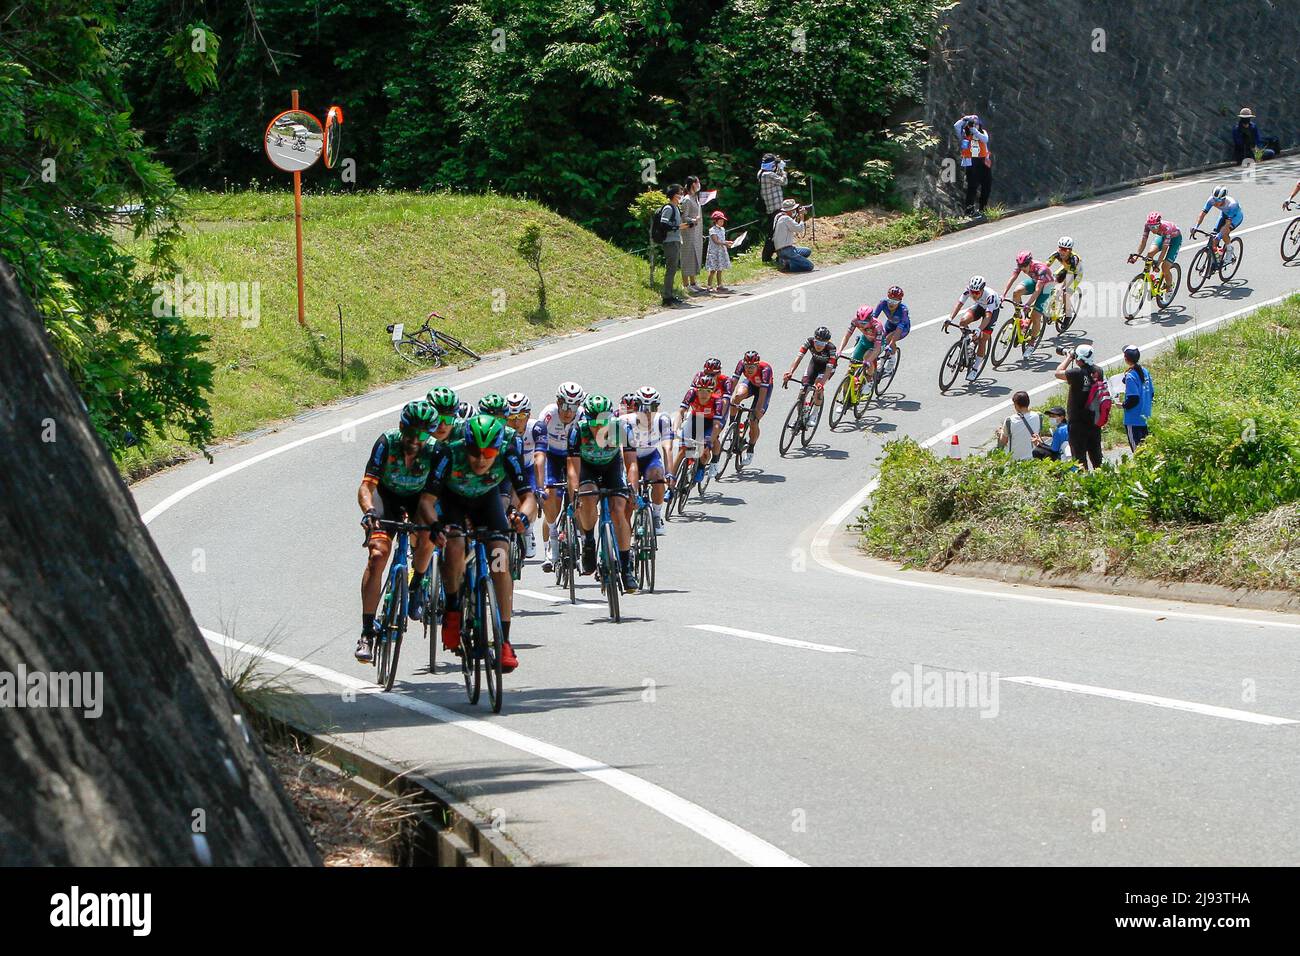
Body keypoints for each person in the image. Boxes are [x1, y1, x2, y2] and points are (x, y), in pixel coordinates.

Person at [417, 414, 533, 672]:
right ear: (465, 445)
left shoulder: (508, 452)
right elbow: (426, 501)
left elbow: (528, 497)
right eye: (474, 452)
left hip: (486, 501)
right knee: (455, 546)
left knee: (500, 561)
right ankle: (453, 608)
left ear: (498, 447)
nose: (481, 459)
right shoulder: (448, 453)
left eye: (489, 452)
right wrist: (436, 525)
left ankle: (504, 641)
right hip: (454, 500)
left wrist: (522, 516)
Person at [356, 400, 440, 663]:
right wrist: (369, 511)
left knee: (429, 535)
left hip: (420, 500)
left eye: (423, 434)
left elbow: (440, 494)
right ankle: (367, 632)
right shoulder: (387, 442)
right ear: (402, 427)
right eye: (411, 432)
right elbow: (367, 486)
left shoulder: (436, 451)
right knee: (378, 555)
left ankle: (416, 586)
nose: (416, 439)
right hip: (387, 499)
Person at [567, 394, 639, 593]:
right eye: (593, 423)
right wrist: (574, 495)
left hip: (611, 468)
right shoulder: (577, 431)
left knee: (618, 510)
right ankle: (589, 541)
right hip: (587, 468)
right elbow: (572, 469)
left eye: (602, 423)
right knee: (588, 498)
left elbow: (631, 461)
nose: (598, 428)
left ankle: (626, 568)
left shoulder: (621, 428)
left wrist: (633, 490)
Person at [535, 381, 586, 574]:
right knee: (551, 495)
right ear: (558, 402)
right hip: (553, 457)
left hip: (575, 457)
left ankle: (582, 543)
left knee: (580, 498)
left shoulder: (582, 416)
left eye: (573, 407)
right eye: (564, 405)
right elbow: (539, 446)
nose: (568, 411)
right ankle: (553, 539)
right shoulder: (548, 414)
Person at [622, 386, 674, 533]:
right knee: (628, 503)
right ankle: (626, 537)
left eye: (652, 408)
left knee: (659, 477)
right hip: (627, 459)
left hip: (649, 457)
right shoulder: (624, 421)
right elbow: (619, 452)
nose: (647, 412)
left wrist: (670, 473)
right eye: (644, 408)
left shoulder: (663, 420)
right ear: (636, 407)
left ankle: (656, 515)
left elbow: (667, 448)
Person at [1054, 344, 1104, 470]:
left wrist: (1069, 357)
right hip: (1094, 422)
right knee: (1097, 459)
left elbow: (1058, 373)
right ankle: (1102, 481)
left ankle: (1084, 485)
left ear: (1079, 358)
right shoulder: (1098, 371)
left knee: (1079, 461)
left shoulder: (1076, 373)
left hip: (1077, 424)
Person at [947, 274, 1001, 382]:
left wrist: (979, 329)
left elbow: (988, 316)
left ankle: (975, 368)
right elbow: (959, 303)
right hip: (980, 306)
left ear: (982, 289)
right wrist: (949, 318)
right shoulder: (969, 290)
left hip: (992, 311)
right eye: (972, 292)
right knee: (963, 322)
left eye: (977, 293)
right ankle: (968, 344)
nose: (974, 295)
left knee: (982, 339)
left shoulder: (990, 296)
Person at [1001, 250, 1054, 359]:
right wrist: (1003, 294)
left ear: (1030, 262)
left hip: (1046, 287)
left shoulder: (1041, 269)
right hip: (1036, 281)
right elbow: (1012, 278)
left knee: (1035, 315)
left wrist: (1028, 304)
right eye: (1021, 266)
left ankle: (1032, 343)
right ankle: (1020, 318)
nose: (1023, 268)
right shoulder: (1021, 266)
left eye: (1025, 265)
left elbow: (1038, 290)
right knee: (1016, 292)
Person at [729, 349, 774, 464]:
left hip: (764, 389)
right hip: (751, 383)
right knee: (736, 397)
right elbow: (733, 383)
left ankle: (750, 449)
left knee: (753, 420)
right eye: (747, 366)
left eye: (752, 367)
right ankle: (732, 425)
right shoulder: (741, 364)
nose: (748, 369)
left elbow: (762, 393)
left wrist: (757, 410)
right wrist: (727, 398)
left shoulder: (766, 370)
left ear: (757, 365)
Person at [781, 326, 838, 405]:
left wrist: (821, 383)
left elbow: (829, 369)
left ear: (827, 343)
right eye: (817, 342)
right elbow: (799, 357)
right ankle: (802, 410)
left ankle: (815, 413)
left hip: (827, 368)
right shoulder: (809, 341)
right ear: (814, 340)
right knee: (802, 392)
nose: (819, 346)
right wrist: (790, 372)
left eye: (822, 343)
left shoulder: (831, 348)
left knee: (818, 385)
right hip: (815, 364)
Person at [1129, 211, 1181, 292]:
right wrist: (1136, 256)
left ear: (1159, 224)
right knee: (1150, 253)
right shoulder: (1147, 225)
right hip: (1162, 236)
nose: (1153, 229)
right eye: (1151, 227)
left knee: (1165, 267)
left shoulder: (1167, 228)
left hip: (1175, 240)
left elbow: (1164, 250)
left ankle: (1169, 287)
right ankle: (1148, 276)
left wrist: (1158, 264)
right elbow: (1143, 241)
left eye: (1155, 227)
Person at [1194, 187, 1244, 265]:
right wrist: (1196, 227)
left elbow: (1227, 224)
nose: (1215, 203)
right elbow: (1203, 214)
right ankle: (1216, 258)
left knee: (1223, 233)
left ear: (1223, 199)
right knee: (1213, 239)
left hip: (1235, 217)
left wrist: (1219, 236)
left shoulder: (1232, 205)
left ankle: (1229, 250)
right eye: (1214, 200)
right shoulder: (1211, 200)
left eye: (1218, 201)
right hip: (1224, 215)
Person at [953, 113, 991, 217]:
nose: (975, 126)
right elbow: (956, 126)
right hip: (971, 161)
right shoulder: (964, 135)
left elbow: (985, 139)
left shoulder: (983, 132)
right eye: (973, 124)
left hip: (983, 161)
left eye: (977, 124)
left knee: (987, 185)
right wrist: (964, 119)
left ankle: (983, 208)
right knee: (972, 186)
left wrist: (975, 130)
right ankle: (969, 210)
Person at [1121, 345, 1155, 451]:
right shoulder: (1144, 371)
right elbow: (1151, 393)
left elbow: (1133, 399)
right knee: (1147, 451)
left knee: (1137, 452)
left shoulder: (1131, 376)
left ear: (1126, 359)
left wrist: (1122, 405)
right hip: (1145, 417)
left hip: (1133, 419)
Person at [996, 390, 1044, 462]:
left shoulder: (1010, 420)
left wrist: (1000, 433)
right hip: (1033, 458)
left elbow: (1003, 440)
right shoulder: (1038, 416)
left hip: (1014, 460)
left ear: (1016, 405)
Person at [758, 153, 788, 262]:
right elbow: (784, 181)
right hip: (775, 208)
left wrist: (778, 168)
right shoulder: (768, 175)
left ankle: (773, 256)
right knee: (774, 233)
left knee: (774, 232)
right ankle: (766, 257)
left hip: (771, 208)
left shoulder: (761, 173)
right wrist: (782, 170)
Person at [657, 184, 684, 306]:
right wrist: (676, 227)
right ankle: (667, 298)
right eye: (680, 193)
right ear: (674, 195)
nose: (681, 195)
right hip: (670, 242)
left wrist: (688, 224)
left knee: (673, 269)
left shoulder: (676, 208)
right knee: (670, 269)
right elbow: (664, 225)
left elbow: (676, 226)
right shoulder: (669, 208)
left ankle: (670, 295)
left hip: (676, 241)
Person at [1045, 237, 1082, 326]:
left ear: (1070, 250)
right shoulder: (1056, 254)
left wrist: (1061, 286)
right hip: (1065, 269)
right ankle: (1052, 307)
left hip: (1075, 274)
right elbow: (1045, 266)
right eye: (1060, 248)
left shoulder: (1074, 259)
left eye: (1065, 249)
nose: (1062, 251)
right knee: (1050, 285)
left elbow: (1069, 275)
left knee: (1065, 293)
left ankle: (1068, 314)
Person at [679, 176, 706, 294]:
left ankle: (693, 283)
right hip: (687, 233)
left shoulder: (695, 198)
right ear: (693, 184)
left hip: (696, 233)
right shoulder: (686, 199)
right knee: (687, 257)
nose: (699, 184)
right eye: (697, 182)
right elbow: (684, 217)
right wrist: (694, 220)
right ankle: (685, 285)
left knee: (694, 258)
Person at [772, 198, 813, 272]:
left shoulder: (778, 216)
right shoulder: (786, 219)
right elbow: (800, 229)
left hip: (781, 250)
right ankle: (787, 264)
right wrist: (802, 217)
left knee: (807, 251)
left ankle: (783, 259)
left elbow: (791, 226)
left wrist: (797, 216)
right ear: (790, 210)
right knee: (809, 266)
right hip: (786, 250)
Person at [704, 210, 734, 292]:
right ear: (715, 221)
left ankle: (719, 285)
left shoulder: (722, 229)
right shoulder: (712, 230)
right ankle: (709, 286)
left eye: (723, 220)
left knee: (720, 268)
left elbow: (722, 240)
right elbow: (716, 241)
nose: (722, 222)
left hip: (721, 251)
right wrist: (725, 243)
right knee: (713, 269)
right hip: (714, 252)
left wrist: (728, 242)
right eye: (720, 220)